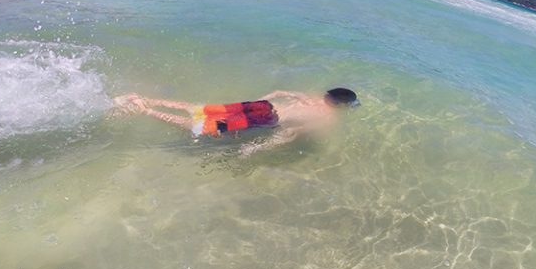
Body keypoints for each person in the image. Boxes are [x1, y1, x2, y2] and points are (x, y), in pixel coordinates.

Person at [113, 88, 359, 155]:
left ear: (328, 95)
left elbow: (279, 91)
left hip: (263, 106)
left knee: (200, 109)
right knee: (202, 127)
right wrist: (255, 148)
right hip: (267, 118)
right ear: (342, 106)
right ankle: (145, 111)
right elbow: (290, 134)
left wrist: (260, 100)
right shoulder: (326, 119)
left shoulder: (310, 97)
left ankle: (141, 97)